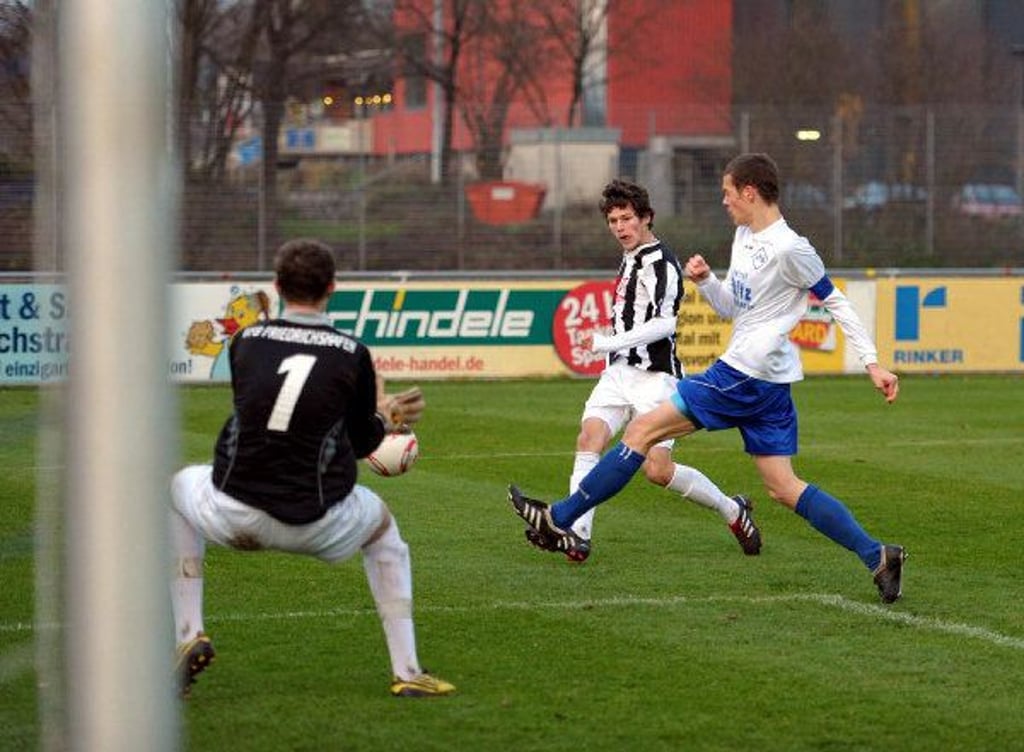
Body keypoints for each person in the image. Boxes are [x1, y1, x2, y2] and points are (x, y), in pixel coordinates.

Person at [510, 153, 906, 604]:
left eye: (727, 192)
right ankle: (878, 555)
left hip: (743, 375)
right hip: (769, 384)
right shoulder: (744, 236)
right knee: (782, 487)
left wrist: (872, 362)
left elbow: (836, 301)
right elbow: (733, 309)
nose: (723, 200)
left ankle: (559, 519)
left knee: (640, 433)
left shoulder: (790, 248)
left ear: (749, 192)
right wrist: (707, 282)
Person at [170, 238, 455, 698]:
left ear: (277, 285)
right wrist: (385, 417)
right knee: (385, 532)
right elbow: (362, 443)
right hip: (315, 522)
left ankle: (188, 633)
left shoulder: (245, 342)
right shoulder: (352, 353)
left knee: (177, 490)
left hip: (232, 510)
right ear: (332, 288)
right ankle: (407, 671)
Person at [532, 178, 760, 563]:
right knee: (589, 437)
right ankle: (578, 535)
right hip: (619, 373)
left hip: (656, 378)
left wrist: (606, 343)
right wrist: (611, 339)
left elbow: (665, 324)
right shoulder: (630, 256)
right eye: (613, 221)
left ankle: (732, 509)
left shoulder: (662, 262)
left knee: (657, 470)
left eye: (627, 219)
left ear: (646, 218)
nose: (620, 227)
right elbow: (634, 318)